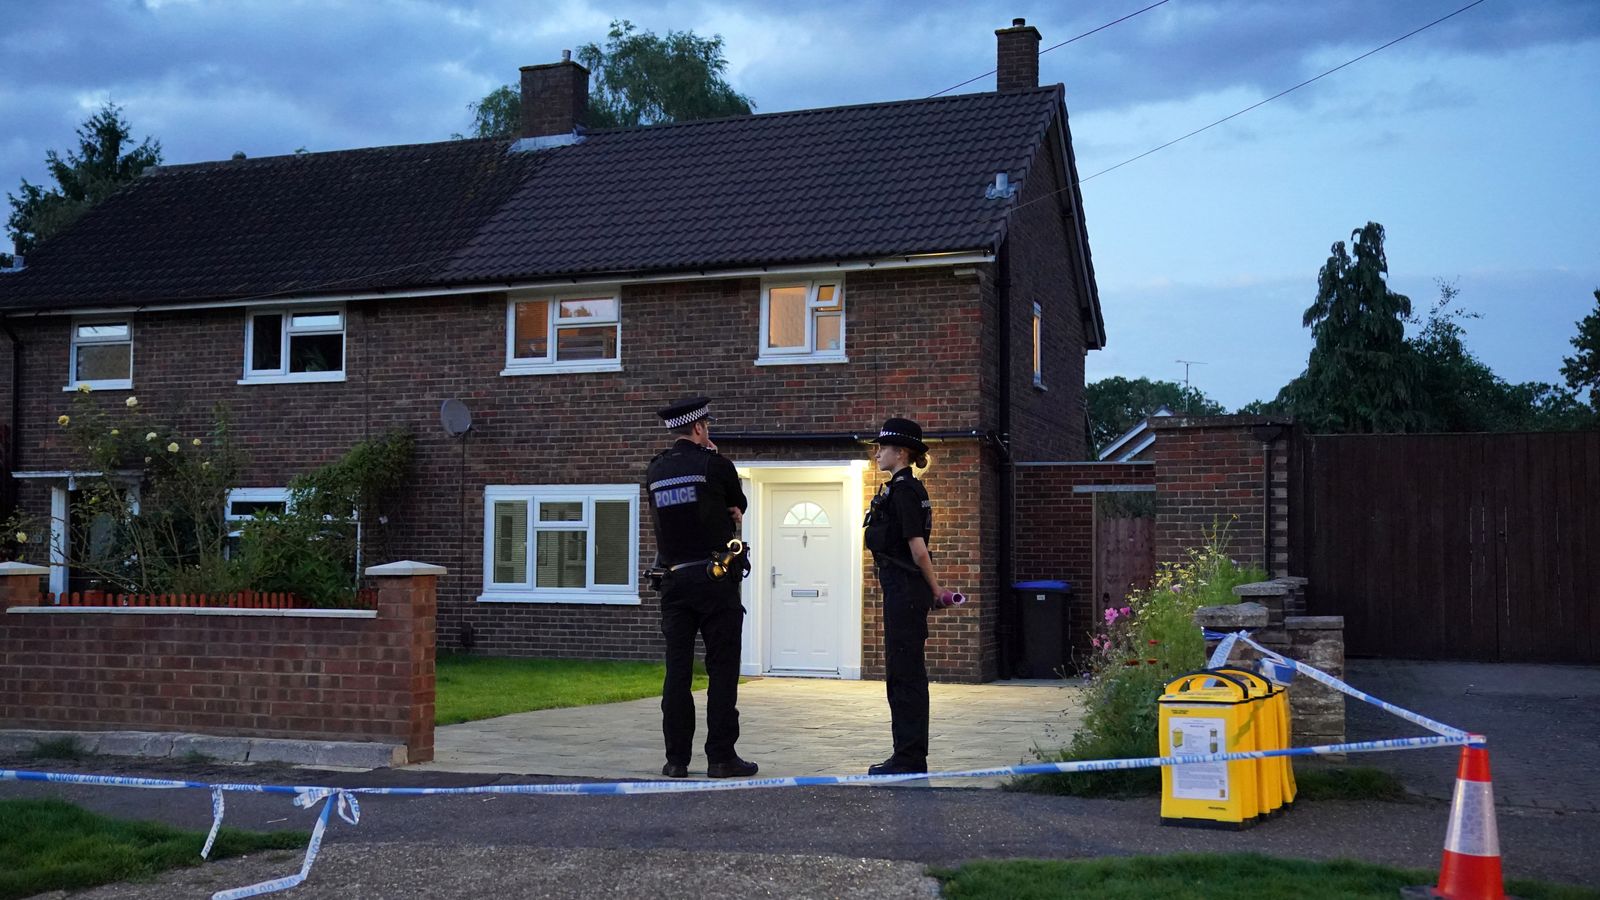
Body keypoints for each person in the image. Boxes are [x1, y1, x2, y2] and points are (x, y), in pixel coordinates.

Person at [645, 396, 758, 780]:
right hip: (714, 580)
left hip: (673, 581)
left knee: (677, 672)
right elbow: (736, 504)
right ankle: (721, 757)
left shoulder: (656, 471)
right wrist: (715, 458)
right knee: (722, 670)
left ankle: (676, 760)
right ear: (698, 428)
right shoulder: (716, 466)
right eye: (706, 426)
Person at [863, 417, 945, 776]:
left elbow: (918, 549)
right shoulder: (902, 490)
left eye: (882, 448)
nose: (877, 453)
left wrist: (936, 589)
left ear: (902, 453)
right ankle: (907, 754)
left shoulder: (905, 492)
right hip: (902, 589)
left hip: (905, 589)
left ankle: (909, 757)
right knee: (902, 672)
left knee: (905, 674)